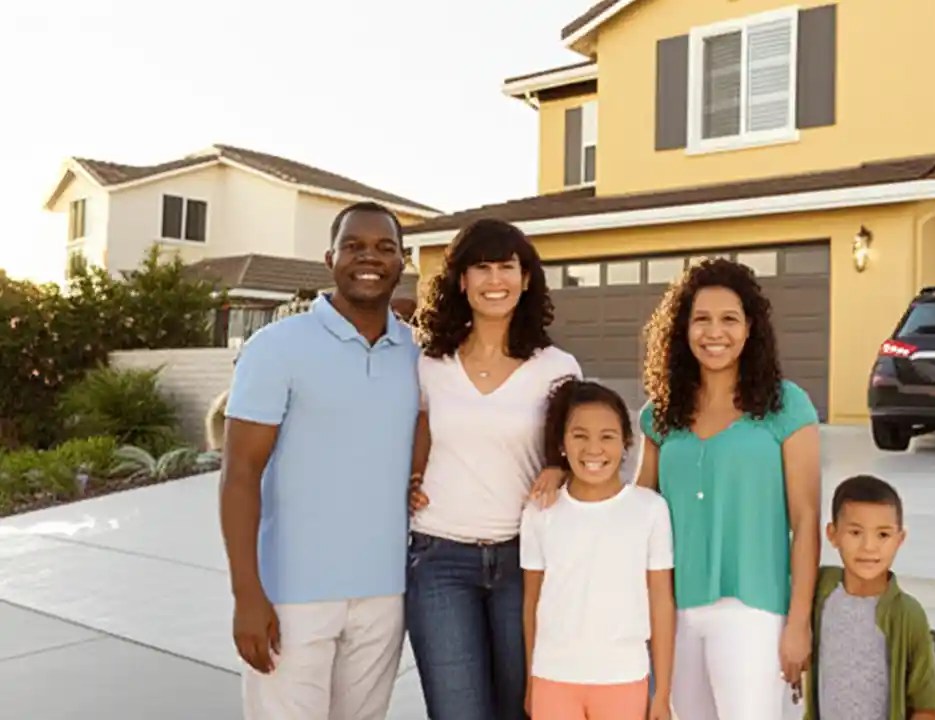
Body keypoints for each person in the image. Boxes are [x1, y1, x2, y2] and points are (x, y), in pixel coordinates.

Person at [219, 201, 419, 720]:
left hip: (384, 593)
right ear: (330, 258)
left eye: (385, 247)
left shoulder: (417, 353)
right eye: (354, 246)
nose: (369, 257)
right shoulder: (275, 347)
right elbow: (240, 474)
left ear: (402, 261)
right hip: (292, 596)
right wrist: (246, 594)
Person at [405, 217, 582, 720]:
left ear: (526, 279)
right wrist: (409, 478)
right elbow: (417, 431)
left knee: (522, 708)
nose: (495, 280)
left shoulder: (557, 367)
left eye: (507, 267)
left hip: (523, 560)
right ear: (461, 280)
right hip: (439, 559)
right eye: (481, 268)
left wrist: (560, 469)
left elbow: (581, 450)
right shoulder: (428, 363)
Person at [639, 258, 821, 720]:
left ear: (750, 327)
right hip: (676, 612)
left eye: (729, 319)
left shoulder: (787, 406)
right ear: (683, 328)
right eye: (701, 319)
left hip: (753, 611)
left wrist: (799, 622)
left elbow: (805, 520)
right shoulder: (660, 414)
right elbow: (637, 513)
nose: (714, 332)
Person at [521, 379, 676, 720]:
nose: (594, 449)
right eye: (580, 436)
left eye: (607, 437)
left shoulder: (649, 510)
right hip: (553, 677)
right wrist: (532, 680)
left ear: (625, 443)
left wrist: (663, 691)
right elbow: (532, 602)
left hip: (623, 677)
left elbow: (661, 603)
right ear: (562, 444)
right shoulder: (540, 512)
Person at [805, 475, 935, 720]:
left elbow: (926, 705)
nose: (869, 546)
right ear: (833, 534)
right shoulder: (820, 590)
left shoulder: (908, 614)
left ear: (899, 539)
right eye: (856, 532)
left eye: (883, 535)